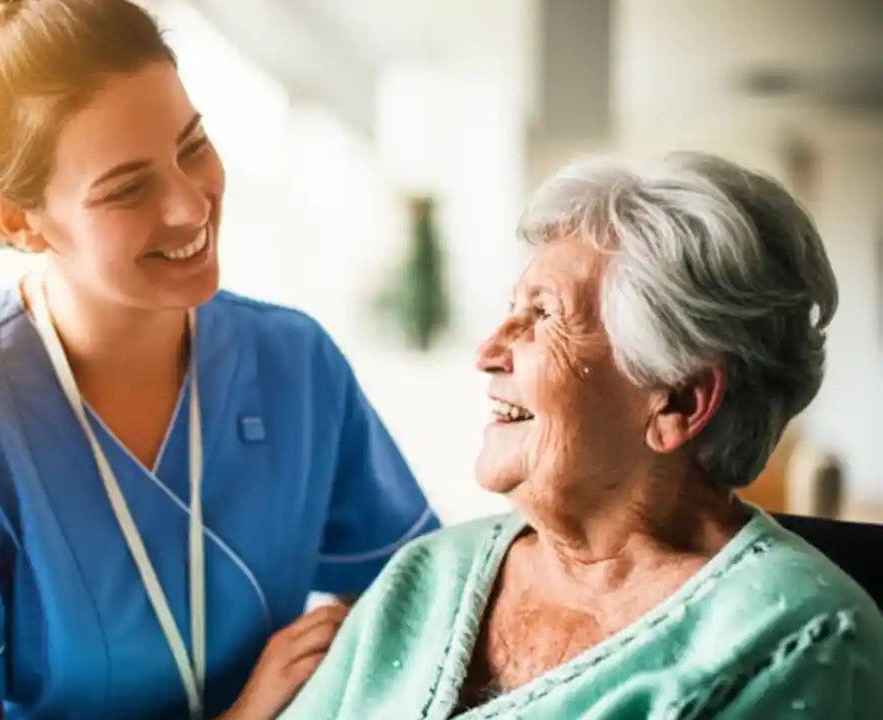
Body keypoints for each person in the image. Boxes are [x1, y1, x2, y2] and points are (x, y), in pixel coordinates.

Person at [0, 1, 438, 719]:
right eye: (127, 188)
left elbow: (422, 601)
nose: (191, 206)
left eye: (192, 146)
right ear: (19, 221)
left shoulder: (295, 363)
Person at [281, 152, 883, 719]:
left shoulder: (804, 640)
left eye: (542, 316)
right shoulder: (429, 574)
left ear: (678, 401)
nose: (488, 352)